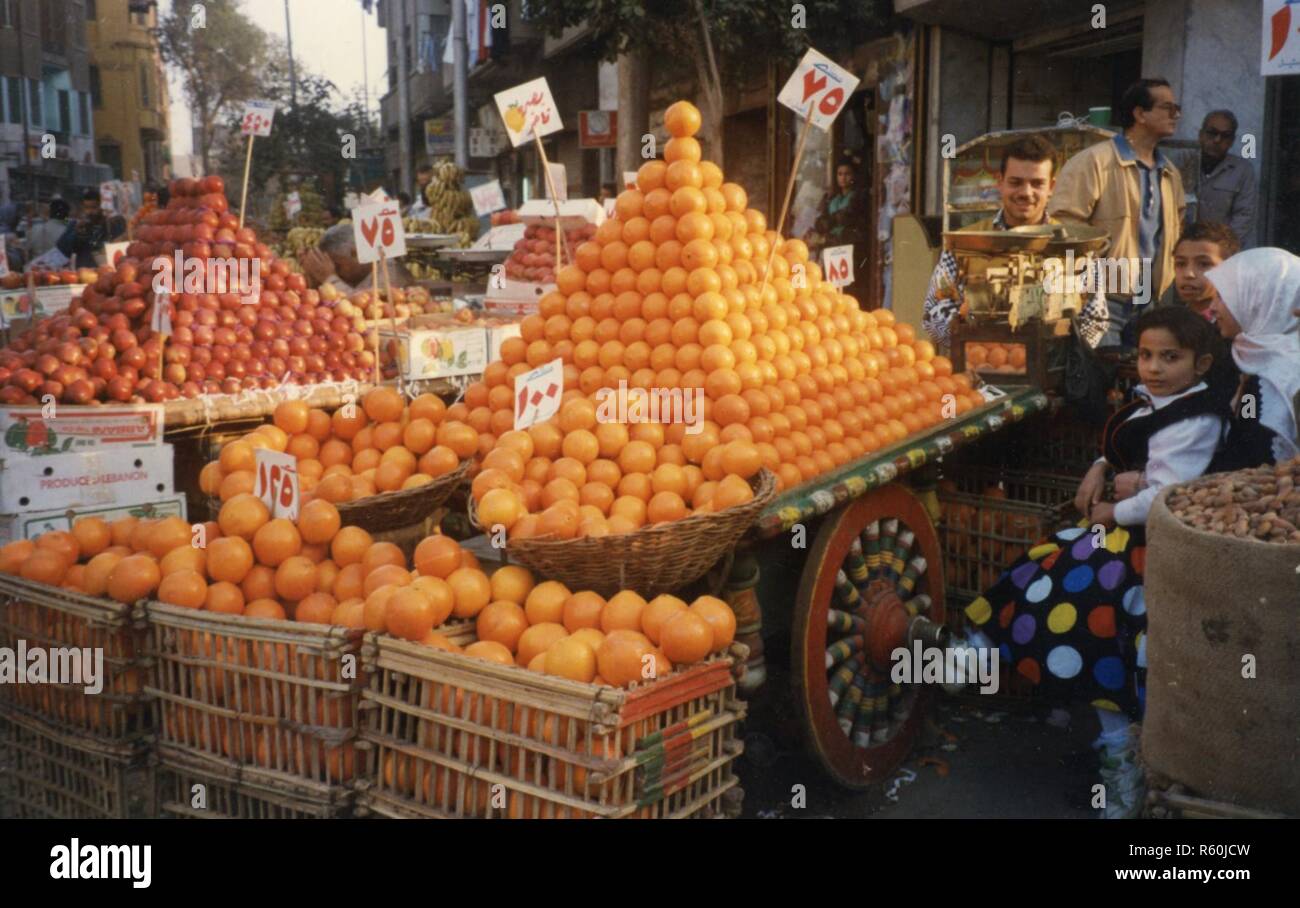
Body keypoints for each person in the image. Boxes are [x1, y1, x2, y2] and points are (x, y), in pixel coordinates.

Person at [963, 306, 1232, 818]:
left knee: (1100, 635)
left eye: (1168, 358)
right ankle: (981, 652)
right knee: (1042, 572)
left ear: (1200, 365)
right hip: (1117, 540)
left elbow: (1167, 495)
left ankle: (1121, 771)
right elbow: (1129, 439)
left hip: (1148, 549)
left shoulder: (1196, 418)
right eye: (1146, 355)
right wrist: (1099, 464)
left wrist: (1112, 509)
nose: (1152, 367)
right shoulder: (1160, 399)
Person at [922, 134, 1109, 350]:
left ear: (1051, 187)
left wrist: (1066, 353)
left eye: (1037, 183)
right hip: (978, 375)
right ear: (1000, 182)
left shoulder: (1075, 247)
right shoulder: (966, 243)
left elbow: (1096, 317)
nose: (1026, 193)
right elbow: (932, 313)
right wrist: (974, 339)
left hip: (1052, 377)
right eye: (1016, 182)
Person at [1049, 78, 1187, 346]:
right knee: (1100, 379)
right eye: (1167, 107)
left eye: (1176, 108)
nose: (1176, 115)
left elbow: (1175, 230)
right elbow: (1063, 228)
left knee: (1139, 383)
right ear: (1139, 113)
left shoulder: (1169, 172)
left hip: (1148, 302)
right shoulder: (1094, 162)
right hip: (1101, 301)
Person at [1204, 248, 1300, 471]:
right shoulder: (1250, 357)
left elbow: (1251, 450)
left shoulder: (1275, 372)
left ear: (1257, 298)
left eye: (1223, 296)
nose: (1212, 308)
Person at [1195, 110, 1257, 249]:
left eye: (1225, 136)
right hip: (1181, 248)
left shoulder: (1243, 171)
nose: (1217, 140)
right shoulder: (1182, 163)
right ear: (1200, 135)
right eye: (1212, 133)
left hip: (1221, 253)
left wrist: (1224, 250)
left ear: (1232, 141)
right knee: (1143, 267)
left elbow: (1243, 216)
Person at [1153, 221, 1240, 318]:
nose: (1188, 274)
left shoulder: (1235, 327)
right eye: (1181, 264)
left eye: (1204, 264)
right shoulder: (1170, 324)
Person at [299, 223, 416, 295]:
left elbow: (361, 307)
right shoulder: (354, 275)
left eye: (338, 266)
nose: (335, 271)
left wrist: (330, 279)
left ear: (355, 253)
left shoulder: (389, 271)